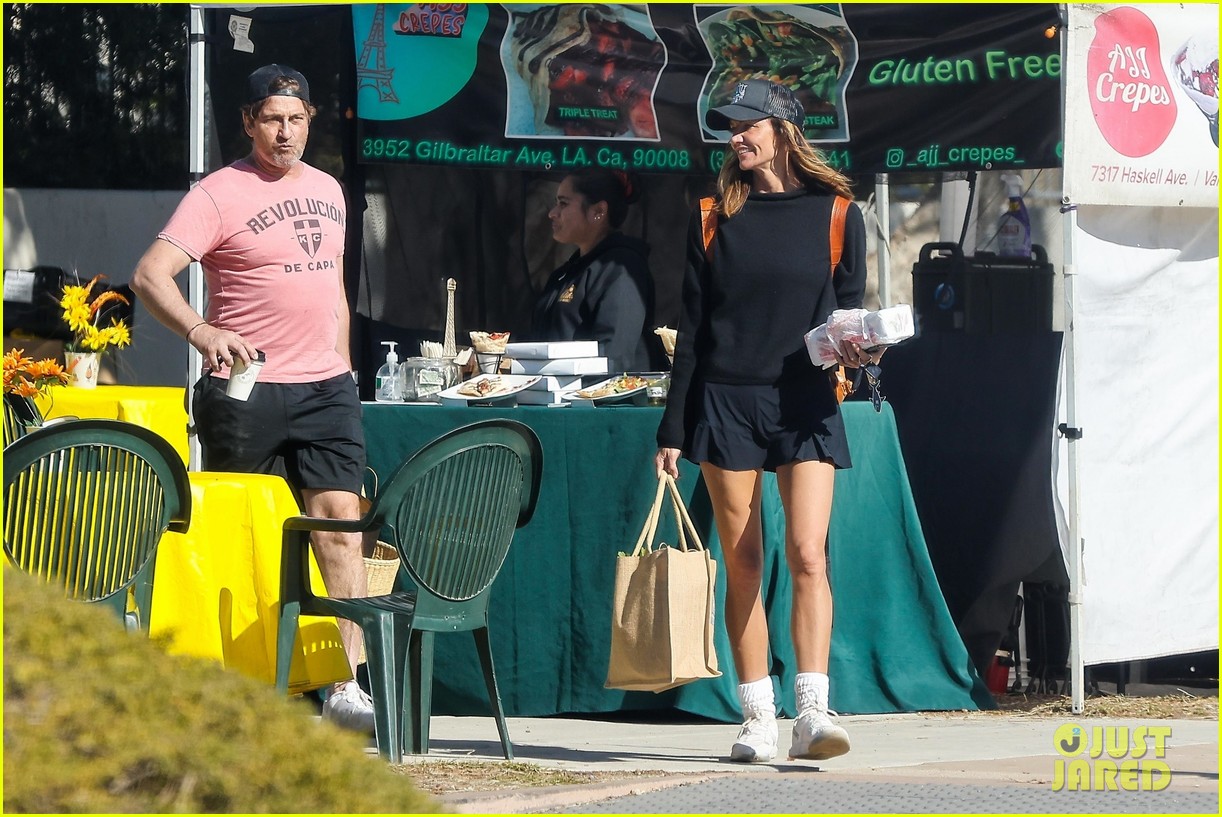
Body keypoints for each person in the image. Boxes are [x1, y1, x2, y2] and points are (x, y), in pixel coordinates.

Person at [130, 64, 374, 733]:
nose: (285, 131)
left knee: (340, 531)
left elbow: (333, 291)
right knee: (248, 539)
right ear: (247, 122)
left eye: (296, 119)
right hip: (246, 390)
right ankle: (250, 691)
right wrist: (201, 330)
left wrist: (345, 370)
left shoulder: (329, 189)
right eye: (272, 118)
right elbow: (150, 275)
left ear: (311, 119)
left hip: (326, 386)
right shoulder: (217, 192)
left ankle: (343, 685)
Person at [655, 79, 879, 763]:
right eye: (729, 126)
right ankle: (756, 715)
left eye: (747, 124)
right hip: (727, 401)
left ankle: (813, 709)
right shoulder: (711, 214)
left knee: (809, 553)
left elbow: (849, 314)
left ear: (783, 129)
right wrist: (671, 428)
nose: (735, 137)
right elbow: (692, 331)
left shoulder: (840, 213)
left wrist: (862, 346)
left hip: (805, 400)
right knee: (744, 559)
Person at [530, 170, 660, 372]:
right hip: (552, 396)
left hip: (594, 400)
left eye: (563, 203)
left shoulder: (622, 268)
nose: (552, 213)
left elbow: (614, 357)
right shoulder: (567, 272)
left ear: (598, 211)